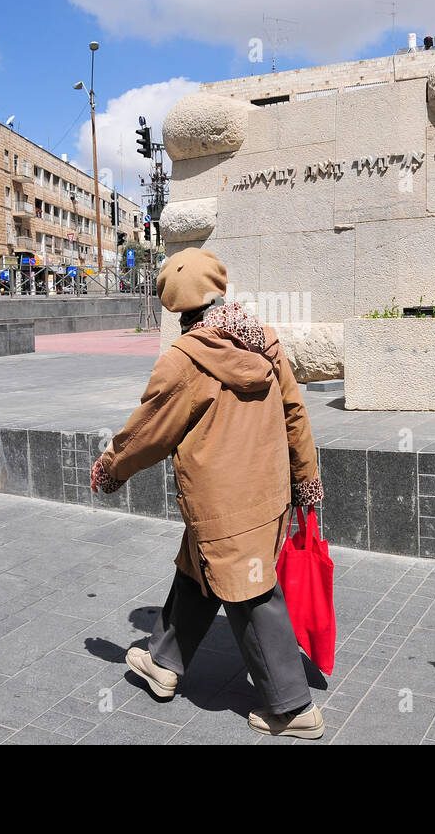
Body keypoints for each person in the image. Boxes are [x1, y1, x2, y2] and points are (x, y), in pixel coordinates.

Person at [90, 247, 326, 739]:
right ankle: (163, 661)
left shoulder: (184, 360)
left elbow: (148, 430)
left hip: (223, 503)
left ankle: (292, 707)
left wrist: (111, 468)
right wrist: (305, 479)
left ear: (177, 306)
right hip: (269, 493)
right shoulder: (265, 341)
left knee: (249, 593)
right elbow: (294, 415)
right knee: (199, 568)